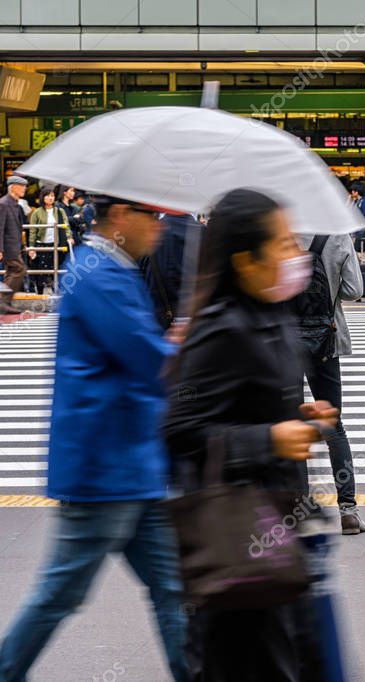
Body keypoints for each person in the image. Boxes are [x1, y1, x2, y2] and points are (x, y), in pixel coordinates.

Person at [0, 195, 188, 682]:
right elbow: (148, 360)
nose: (160, 227)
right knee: (59, 592)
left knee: (171, 587)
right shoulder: (102, 276)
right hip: (105, 469)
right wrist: (183, 342)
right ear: (122, 217)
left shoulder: (107, 269)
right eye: (152, 216)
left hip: (127, 465)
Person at [164, 189, 338, 680]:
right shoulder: (221, 327)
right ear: (245, 260)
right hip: (238, 548)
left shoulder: (270, 311)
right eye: (282, 244)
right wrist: (269, 438)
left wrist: (299, 414)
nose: (295, 255)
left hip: (279, 533)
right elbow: (179, 430)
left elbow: (252, 400)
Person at [294, 230, 365, 534]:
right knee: (333, 425)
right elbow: (354, 289)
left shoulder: (278, 228)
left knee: (292, 424)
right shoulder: (336, 236)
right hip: (326, 339)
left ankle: (298, 508)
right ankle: (348, 510)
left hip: (286, 341)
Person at [139, 211, 201, 329]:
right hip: (197, 326)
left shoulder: (150, 234)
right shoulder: (206, 233)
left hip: (157, 323)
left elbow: (140, 278)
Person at [27, 186, 69, 295]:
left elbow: (66, 227)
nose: (50, 198)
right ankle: (40, 294)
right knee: (40, 272)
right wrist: (32, 247)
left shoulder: (60, 211)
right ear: (42, 197)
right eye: (47, 195)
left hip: (55, 245)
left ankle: (56, 295)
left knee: (55, 270)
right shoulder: (37, 212)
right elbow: (32, 231)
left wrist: (69, 237)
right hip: (41, 245)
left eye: (52, 195)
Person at [0, 176, 28, 313]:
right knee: (19, 269)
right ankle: (2, 301)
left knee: (11, 272)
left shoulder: (15, 204)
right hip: (7, 247)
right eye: (22, 186)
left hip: (14, 246)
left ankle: (6, 303)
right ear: (13, 187)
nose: (25, 189)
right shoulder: (3, 203)